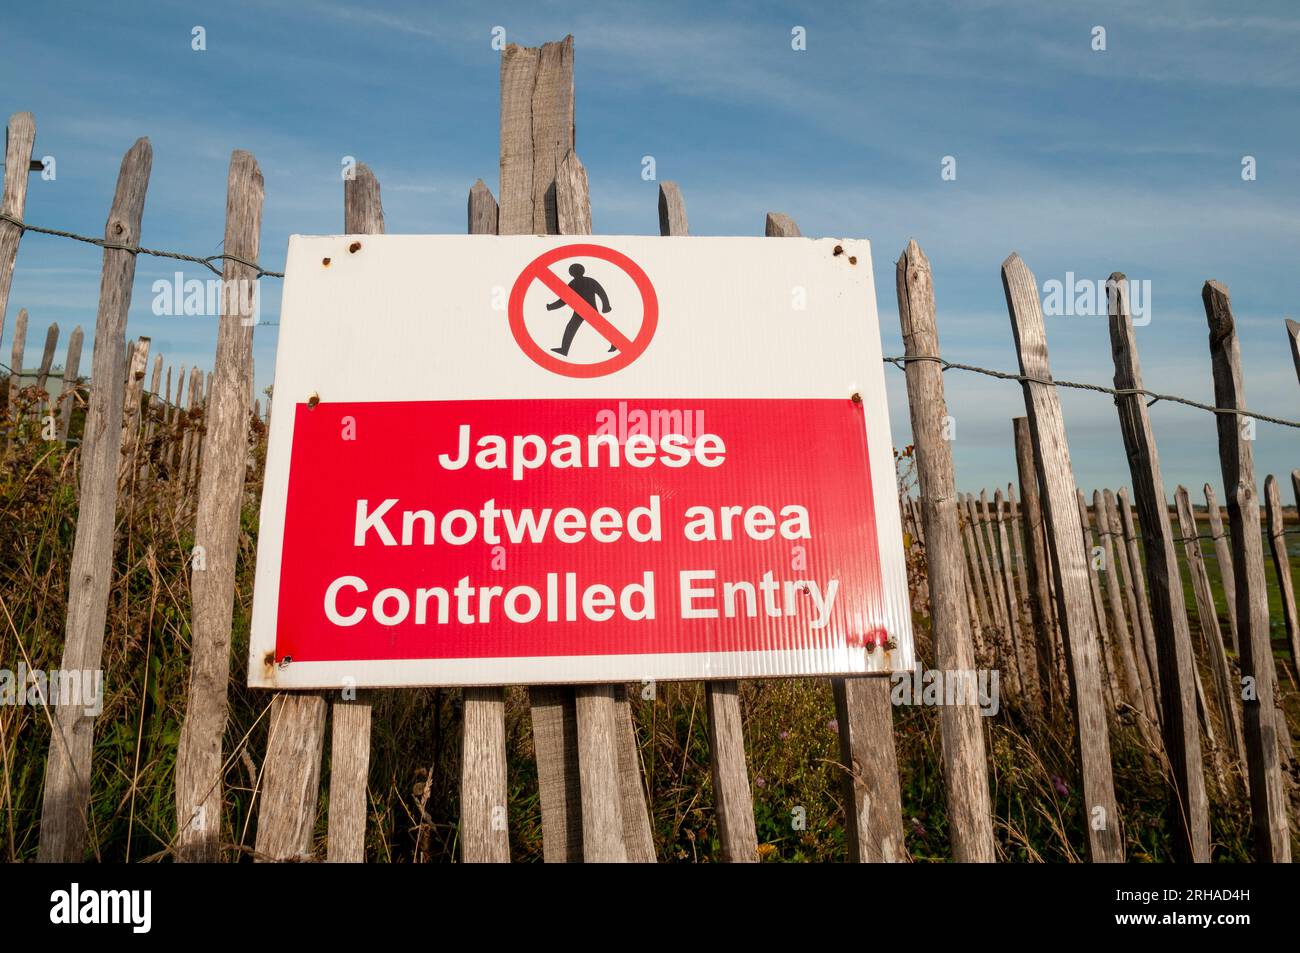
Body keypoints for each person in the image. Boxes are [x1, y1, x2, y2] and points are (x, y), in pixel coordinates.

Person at [546, 263, 615, 356]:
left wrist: (551, 307)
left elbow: (563, 301)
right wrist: (606, 306)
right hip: (585, 310)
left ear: (571, 273)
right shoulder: (590, 281)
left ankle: (564, 349)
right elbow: (602, 293)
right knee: (599, 327)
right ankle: (564, 349)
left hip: (583, 310)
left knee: (572, 328)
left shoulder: (573, 284)